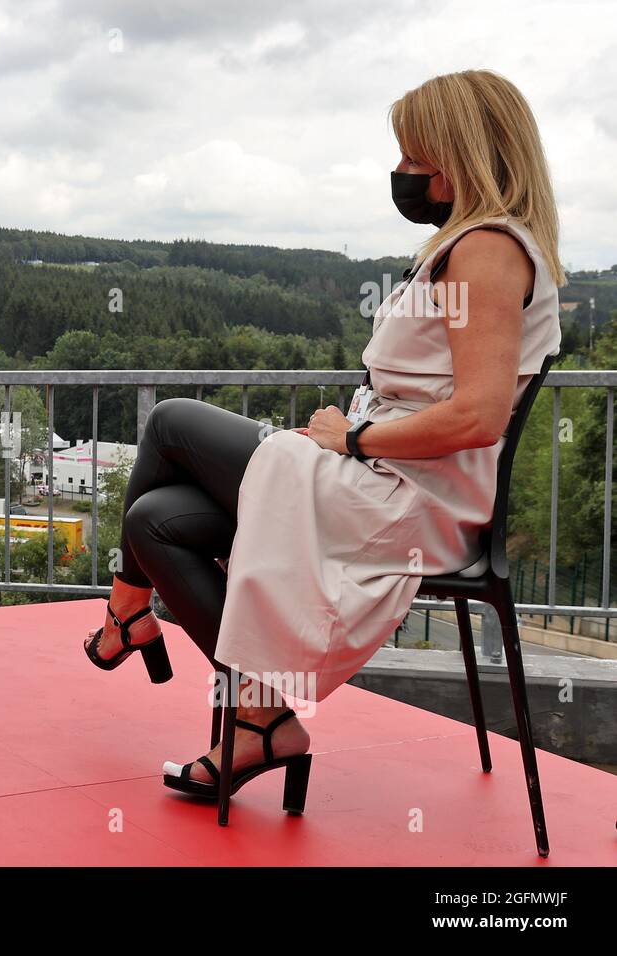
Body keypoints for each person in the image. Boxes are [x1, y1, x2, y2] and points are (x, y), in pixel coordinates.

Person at [83, 70, 564, 799]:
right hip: (392, 479)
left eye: (414, 157)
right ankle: (259, 719)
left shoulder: (487, 251)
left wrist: (353, 440)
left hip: (407, 496)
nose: (401, 171)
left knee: (170, 421)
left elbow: (478, 416)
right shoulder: (472, 245)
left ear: (461, 155)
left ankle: (126, 614)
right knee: (155, 520)